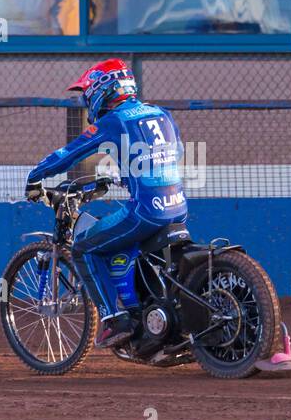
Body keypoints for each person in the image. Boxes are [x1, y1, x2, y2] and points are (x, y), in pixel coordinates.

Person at [25, 59, 189, 348]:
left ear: (103, 90)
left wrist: (36, 176)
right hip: (177, 207)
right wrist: (124, 176)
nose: (87, 99)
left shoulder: (113, 121)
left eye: (87, 93)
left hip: (146, 212)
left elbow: (68, 154)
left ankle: (115, 320)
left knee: (84, 247)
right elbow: (172, 153)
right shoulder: (159, 113)